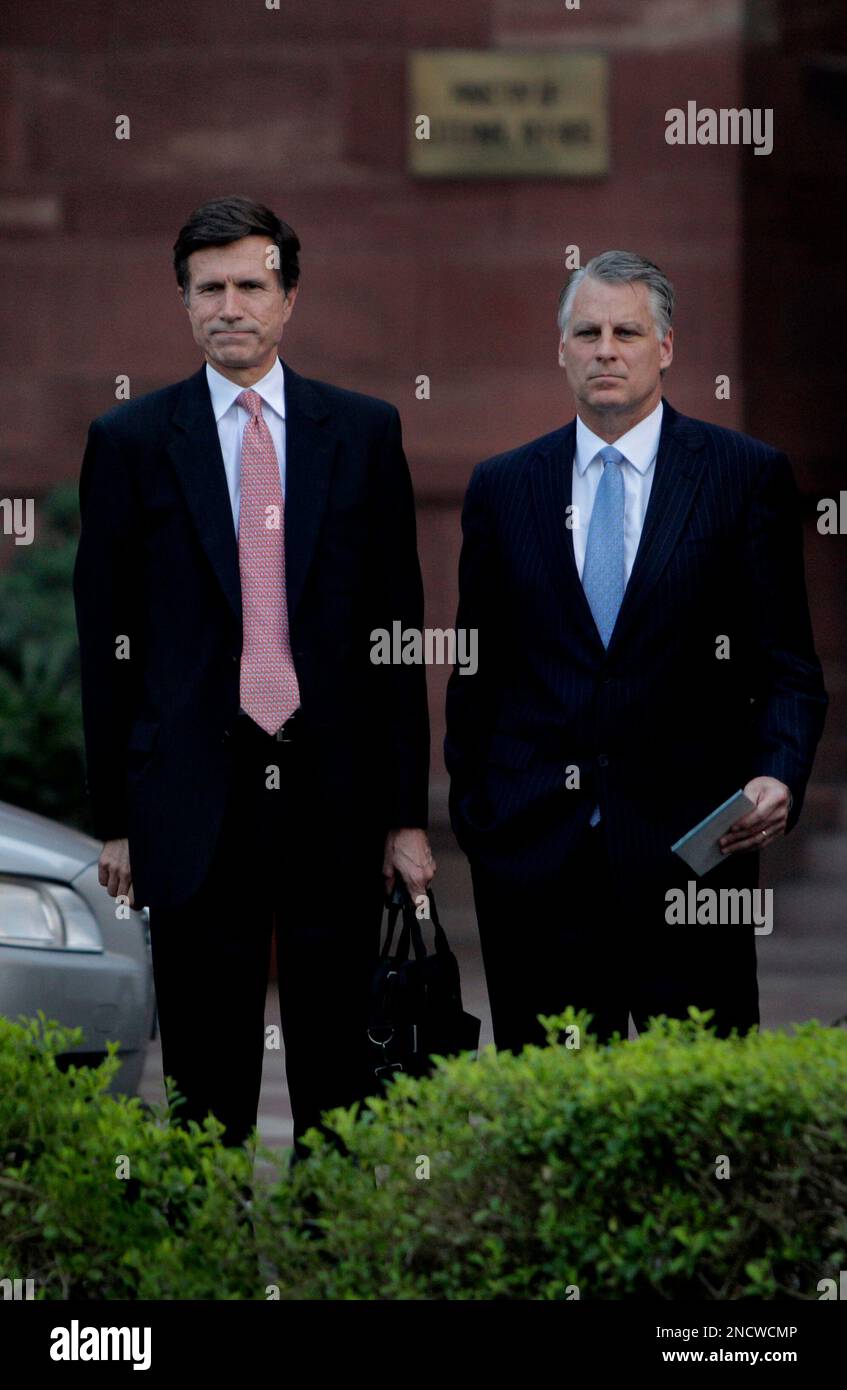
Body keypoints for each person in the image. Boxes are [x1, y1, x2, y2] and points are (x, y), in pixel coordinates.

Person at [73, 195, 435, 1158]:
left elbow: (397, 630)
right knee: (204, 1063)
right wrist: (116, 816)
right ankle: (209, 1257)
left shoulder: (362, 432)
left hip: (333, 790)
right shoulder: (132, 442)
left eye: (249, 285)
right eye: (208, 290)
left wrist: (406, 816)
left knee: (337, 1061)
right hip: (194, 791)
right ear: (185, 304)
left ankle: (329, 1251)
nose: (229, 306)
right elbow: (105, 640)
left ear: (288, 298)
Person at [445, 250, 827, 1049]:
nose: (605, 349)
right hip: (535, 861)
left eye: (626, 331)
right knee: (548, 1123)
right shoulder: (503, 486)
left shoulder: (742, 477)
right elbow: (476, 671)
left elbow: (787, 664)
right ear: (561, 349)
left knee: (692, 1123)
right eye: (586, 332)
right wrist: (480, 818)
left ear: (666, 348)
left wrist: (776, 773)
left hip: (693, 857)